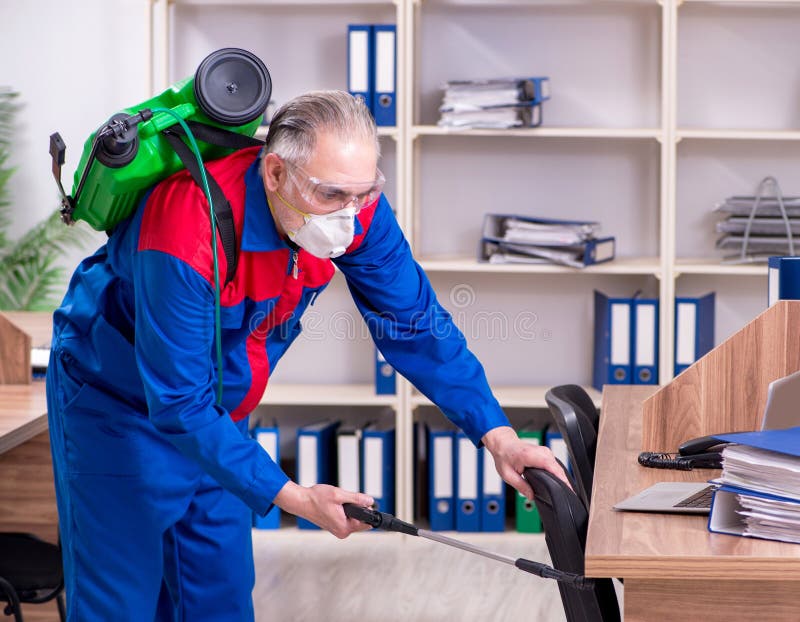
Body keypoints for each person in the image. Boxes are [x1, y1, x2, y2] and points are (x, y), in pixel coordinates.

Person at [46, 90, 568, 621]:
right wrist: (296, 497)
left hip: (220, 416)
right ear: (274, 173)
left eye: (364, 194)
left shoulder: (355, 208)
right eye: (331, 194)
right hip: (117, 405)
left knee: (220, 599)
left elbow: (415, 325)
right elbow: (179, 401)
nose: (348, 215)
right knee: (122, 603)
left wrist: (498, 435)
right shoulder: (186, 227)